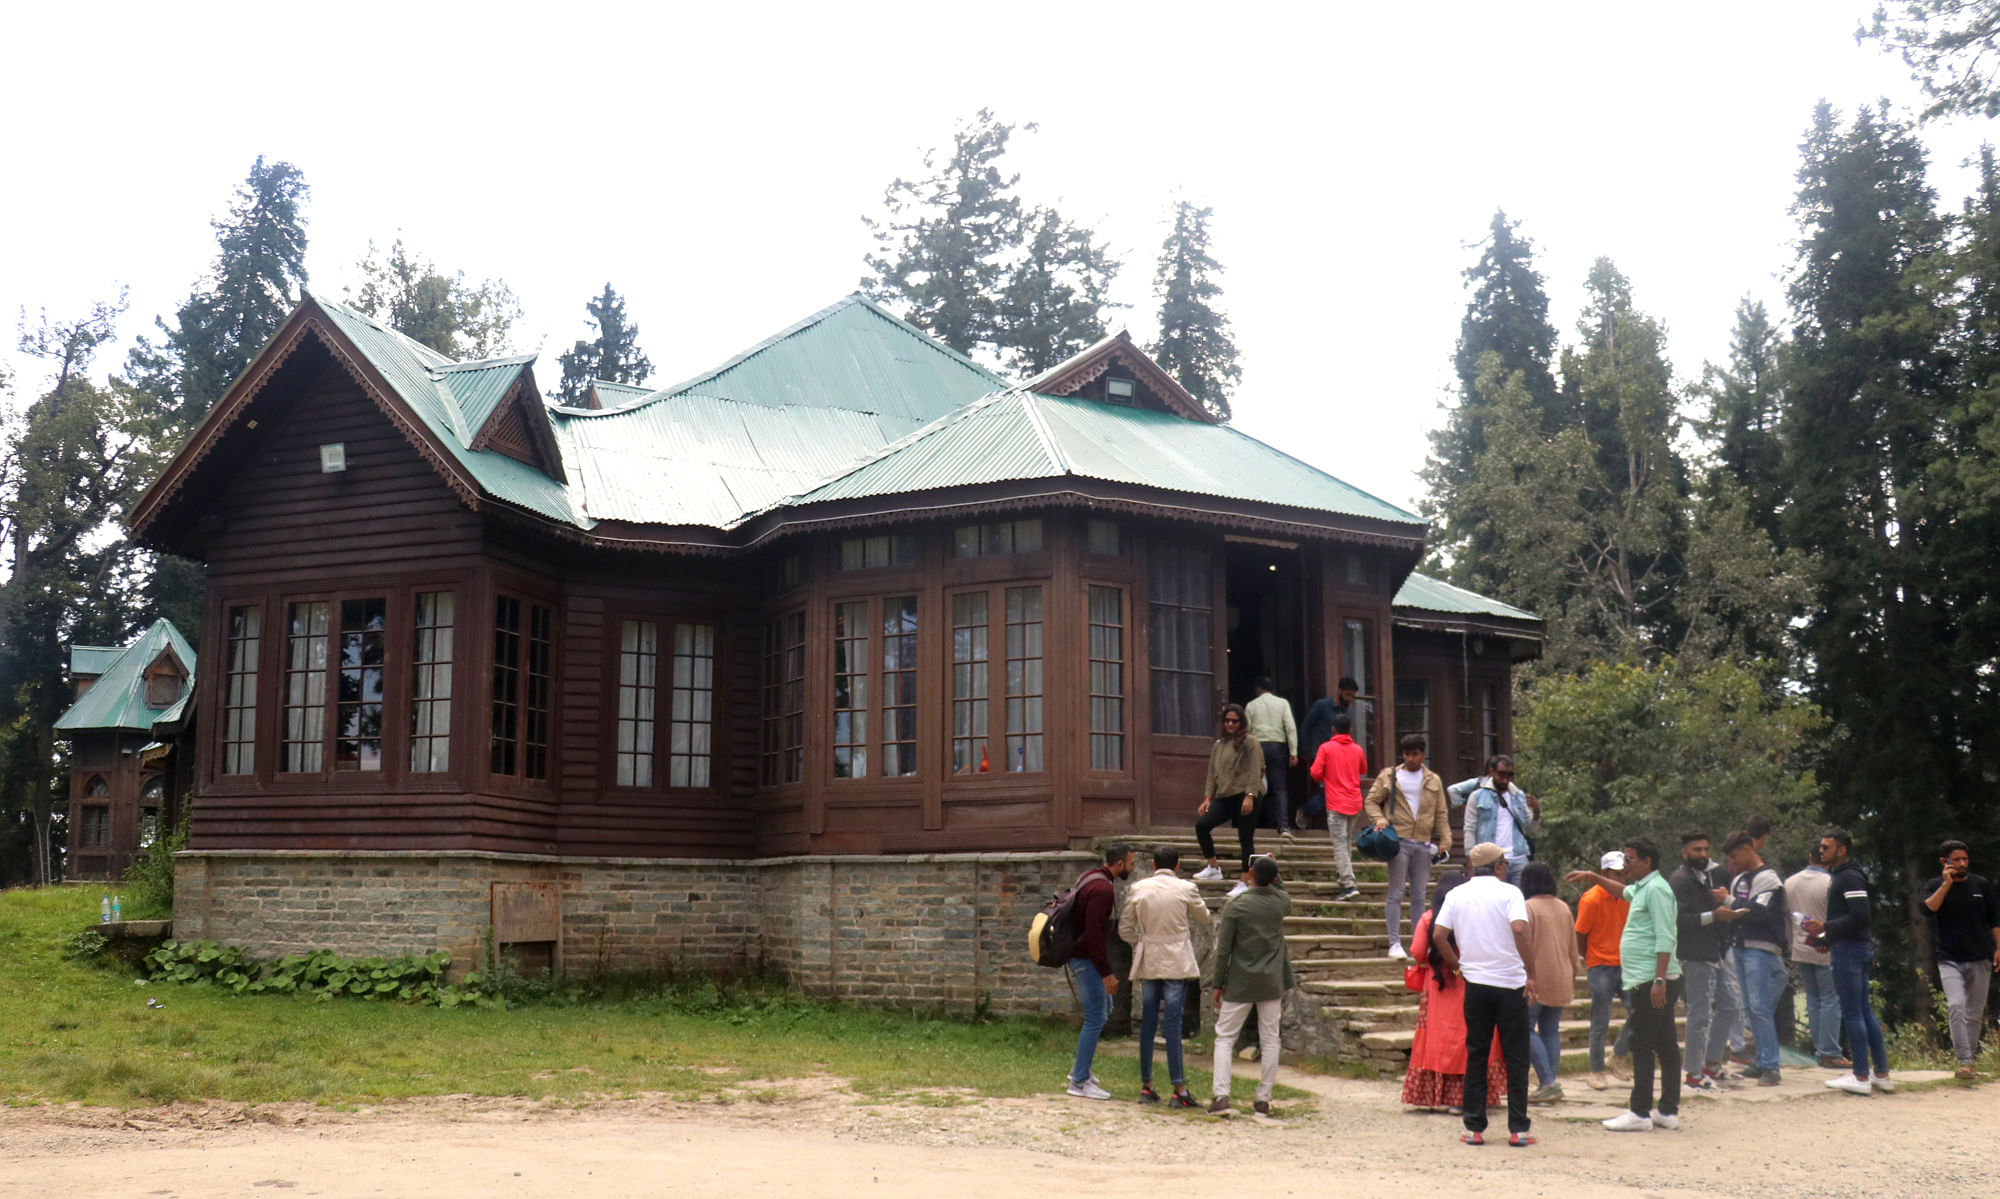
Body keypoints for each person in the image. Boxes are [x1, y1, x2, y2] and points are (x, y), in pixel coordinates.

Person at [1434, 843, 1535, 1148]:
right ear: (1499, 866)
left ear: (1472, 868)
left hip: (1475, 984)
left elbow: (1439, 935)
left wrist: (1457, 965)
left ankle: (1474, 1127)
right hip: (1510, 983)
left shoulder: (1456, 894)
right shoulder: (1510, 893)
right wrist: (1531, 971)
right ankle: (1518, 1128)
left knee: (1477, 1053)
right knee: (1516, 1056)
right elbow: (1519, 928)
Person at [1400, 869, 1510, 1115]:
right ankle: (1465, 1097)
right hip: (1472, 982)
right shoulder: (1474, 915)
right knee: (1471, 1036)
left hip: (1438, 986)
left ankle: (1437, 1095)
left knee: (1437, 1038)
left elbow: (1417, 951)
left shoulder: (1429, 918)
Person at [1119, 845, 1212, 1107]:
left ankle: (1147, 1085)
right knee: (1172, 1022)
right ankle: (1179, 1089)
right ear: (1177, 865)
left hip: (1149, 957)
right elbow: (1204, 917)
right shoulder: (1186, 888)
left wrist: (1141, 943)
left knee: (1148, 1022)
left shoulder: (1139, 888)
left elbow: (1125, 927)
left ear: (1153, 865)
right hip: (1176, 959)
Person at [1802, 825, 1891, 1095]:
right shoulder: (1843, 875)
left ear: (1841, 850)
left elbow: (1860, 916)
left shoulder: (1849, 877)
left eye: (1826, 847)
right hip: (1853, 947)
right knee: (1864, 1011)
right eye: (1820, 846)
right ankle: (1881, 1074)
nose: (1821, 851)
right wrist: (1826, 937)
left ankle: (1861, 1076)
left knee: (1853, 1013)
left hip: (1850, 952)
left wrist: (1826, 927)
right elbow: (1852, 919)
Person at [1603, 836, 1682, 1132]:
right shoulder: (1642, 887)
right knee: (1665, 1043)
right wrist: (1592, 878)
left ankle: (1639, 1112)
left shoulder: (1657, 890)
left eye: (1630, 859)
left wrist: (1659, 980)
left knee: (1642, 1044)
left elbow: (1665, 936)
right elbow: (1622, 891)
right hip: (1648, 977)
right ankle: (1667, 1110)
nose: (1625, 864)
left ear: (1647, 861)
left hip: (1652, 979)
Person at [1206, 855, 1293, 1116]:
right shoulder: (1280, 903)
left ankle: (1221, 1095)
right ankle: (1263, 1099)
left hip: (1240, 980)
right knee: (1270, 1040)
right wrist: (1275, 872)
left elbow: (1224, 950)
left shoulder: (1236, 905)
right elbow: (1282, 891)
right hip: (1271, 980)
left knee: (1225, 1037)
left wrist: (1218, 982)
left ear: (1251, 875)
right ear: (1274, 879)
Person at [1365, 734, 1452, 960]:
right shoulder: (1389, 775)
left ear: (1423, 754)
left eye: (1415, 754)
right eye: (1406, 754)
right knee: (1395, 891)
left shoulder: (1433, 780)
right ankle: (1394, 942)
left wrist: (1446, 840)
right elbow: (1371, 800)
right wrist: (1379, 819)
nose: (1410, 758)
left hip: (1423, 842)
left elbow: (1441, 812)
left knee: (1419, 895)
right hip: (1399, 839)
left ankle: (1418, 941)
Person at [1921, 840, 2000, 1081]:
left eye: (1965, 859)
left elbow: (1994, 919)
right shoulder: (1935, 885)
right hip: (1949, 958)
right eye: (1956, 860)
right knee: (1956, 1005)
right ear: (1944, 861)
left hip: (1980, 957)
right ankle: (1963, 1060)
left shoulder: (1980, 885)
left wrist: (1999, 947)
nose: (1962, 863)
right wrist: (1946, 884)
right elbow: (1928, 909)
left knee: (1974, 1013)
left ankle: (1969, 1063)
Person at [1669, 830, 1742, 1089]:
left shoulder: (1708, 876)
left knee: (1730, 1004)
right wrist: (1714, 916)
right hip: (1694, 955)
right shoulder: (1679, 881)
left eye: (1706, 849)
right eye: (1697, 850)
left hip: (1715, 952)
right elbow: (1678, 920)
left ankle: (1710, 1064)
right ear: (1685, 852)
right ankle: (1693, 1074)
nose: (1703, 854)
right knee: (1699, 1015)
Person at [1066, 844, 1135, 1100]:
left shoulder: (1090, 877)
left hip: (1083, 956)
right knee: (1095, 1016)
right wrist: (1106, 972)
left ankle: (1079, 1070)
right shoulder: (1102, 889)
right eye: (1131, 864)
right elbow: (1094, 934)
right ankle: (1079, 1082)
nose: (1131, 868)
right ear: (1120, 864)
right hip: (1085, 960)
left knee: (1104, 1009)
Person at [1723, 830, 1788, 1086]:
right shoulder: (1739, 879)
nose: (1733, 862)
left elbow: (1758, 912)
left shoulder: (1768, 878)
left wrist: (1729, 902)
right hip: (1739, 946)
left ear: (1747, 849)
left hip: (1761, 948)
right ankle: (1761, 1060)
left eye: (1735, 856)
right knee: (1750, 1007)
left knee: (1760, 1006)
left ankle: (1771, 1065)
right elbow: (1738, 911)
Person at [1567, 852, 1633, 1090]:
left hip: (1627, 963)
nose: (1622, 878)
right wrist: (1586, 957)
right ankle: (1596, 1070)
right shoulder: (1592, 899)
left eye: (1625, 874)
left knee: (1640, 1012)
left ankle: (1618, 1056)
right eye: (1618, 874)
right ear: (1605, 873)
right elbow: (1581, 933)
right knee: (1600, 1020)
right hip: (1601, 964)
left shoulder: (1628, 896)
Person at [1784, 841, 1847, 1069]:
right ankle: (1829, 1051)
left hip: (1800, 946)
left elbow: (1786, 917)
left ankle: (1820, 1049)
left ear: (1810, 857)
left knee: (1813, 998)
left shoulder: (1790, 882)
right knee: (1831, 998)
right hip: (1826, 945)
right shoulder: (1832, 883)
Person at [1520, 862, 1578, 1104]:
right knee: (1550, 1030)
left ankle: (1548, 1082)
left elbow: (1522, 944)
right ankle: (1550, 1081)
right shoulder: (1563, 907)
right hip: (1562, 975)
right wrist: (1573, 973)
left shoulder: (1527, 907)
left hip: (1536, 977)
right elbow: (1573, 946)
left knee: (1524, 1028)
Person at [1193, 704, 1265, 881]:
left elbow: (1256, 770)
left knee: (1245, 836)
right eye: (1227, 721)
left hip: (1246, 794)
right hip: (1226, 795)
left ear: (1241, 722)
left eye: (1234, 721)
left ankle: (1245, 880)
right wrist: (1208, 797)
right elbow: (1212, 773)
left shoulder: (1250, 742)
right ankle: (1213, 867)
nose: (1230, 724)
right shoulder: (1219, 744)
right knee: (1202, 825)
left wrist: (1250, 796)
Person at [1451, 755, 1540, 887]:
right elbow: (1469, 829)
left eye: (1510, 775)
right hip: (1489, 859)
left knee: (1519, 897)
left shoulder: (1518, 796)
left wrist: (1537, 812)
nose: (1505, 779)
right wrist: (1470, 859)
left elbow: (1531, 828)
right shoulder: (1477, 796)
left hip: (1518, 857)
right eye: (1502, 774)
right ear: (1492, 772)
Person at [1307, 709, 1368, 901]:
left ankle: (1349, 884)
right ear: (1350, 730)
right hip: (1355, 802)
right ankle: (1344, 876)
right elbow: (1363, 769)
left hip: (1336, 802)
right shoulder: (1358, 749)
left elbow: (1315, 773)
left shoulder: (1326, 748)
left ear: (1333, 729)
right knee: (1346, 839)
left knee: (1340, 843)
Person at [1244, 677, 1299, 839]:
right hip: (1277, 747)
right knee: (1279, 788)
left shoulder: (1251, 705)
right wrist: (1293, 751)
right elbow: (1290, 727)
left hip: (1257, 746)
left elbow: (1246, 731)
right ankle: (1283, 826)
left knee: (1254, 785)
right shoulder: (1282, 703)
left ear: (1258, 689)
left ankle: (1250, 824)